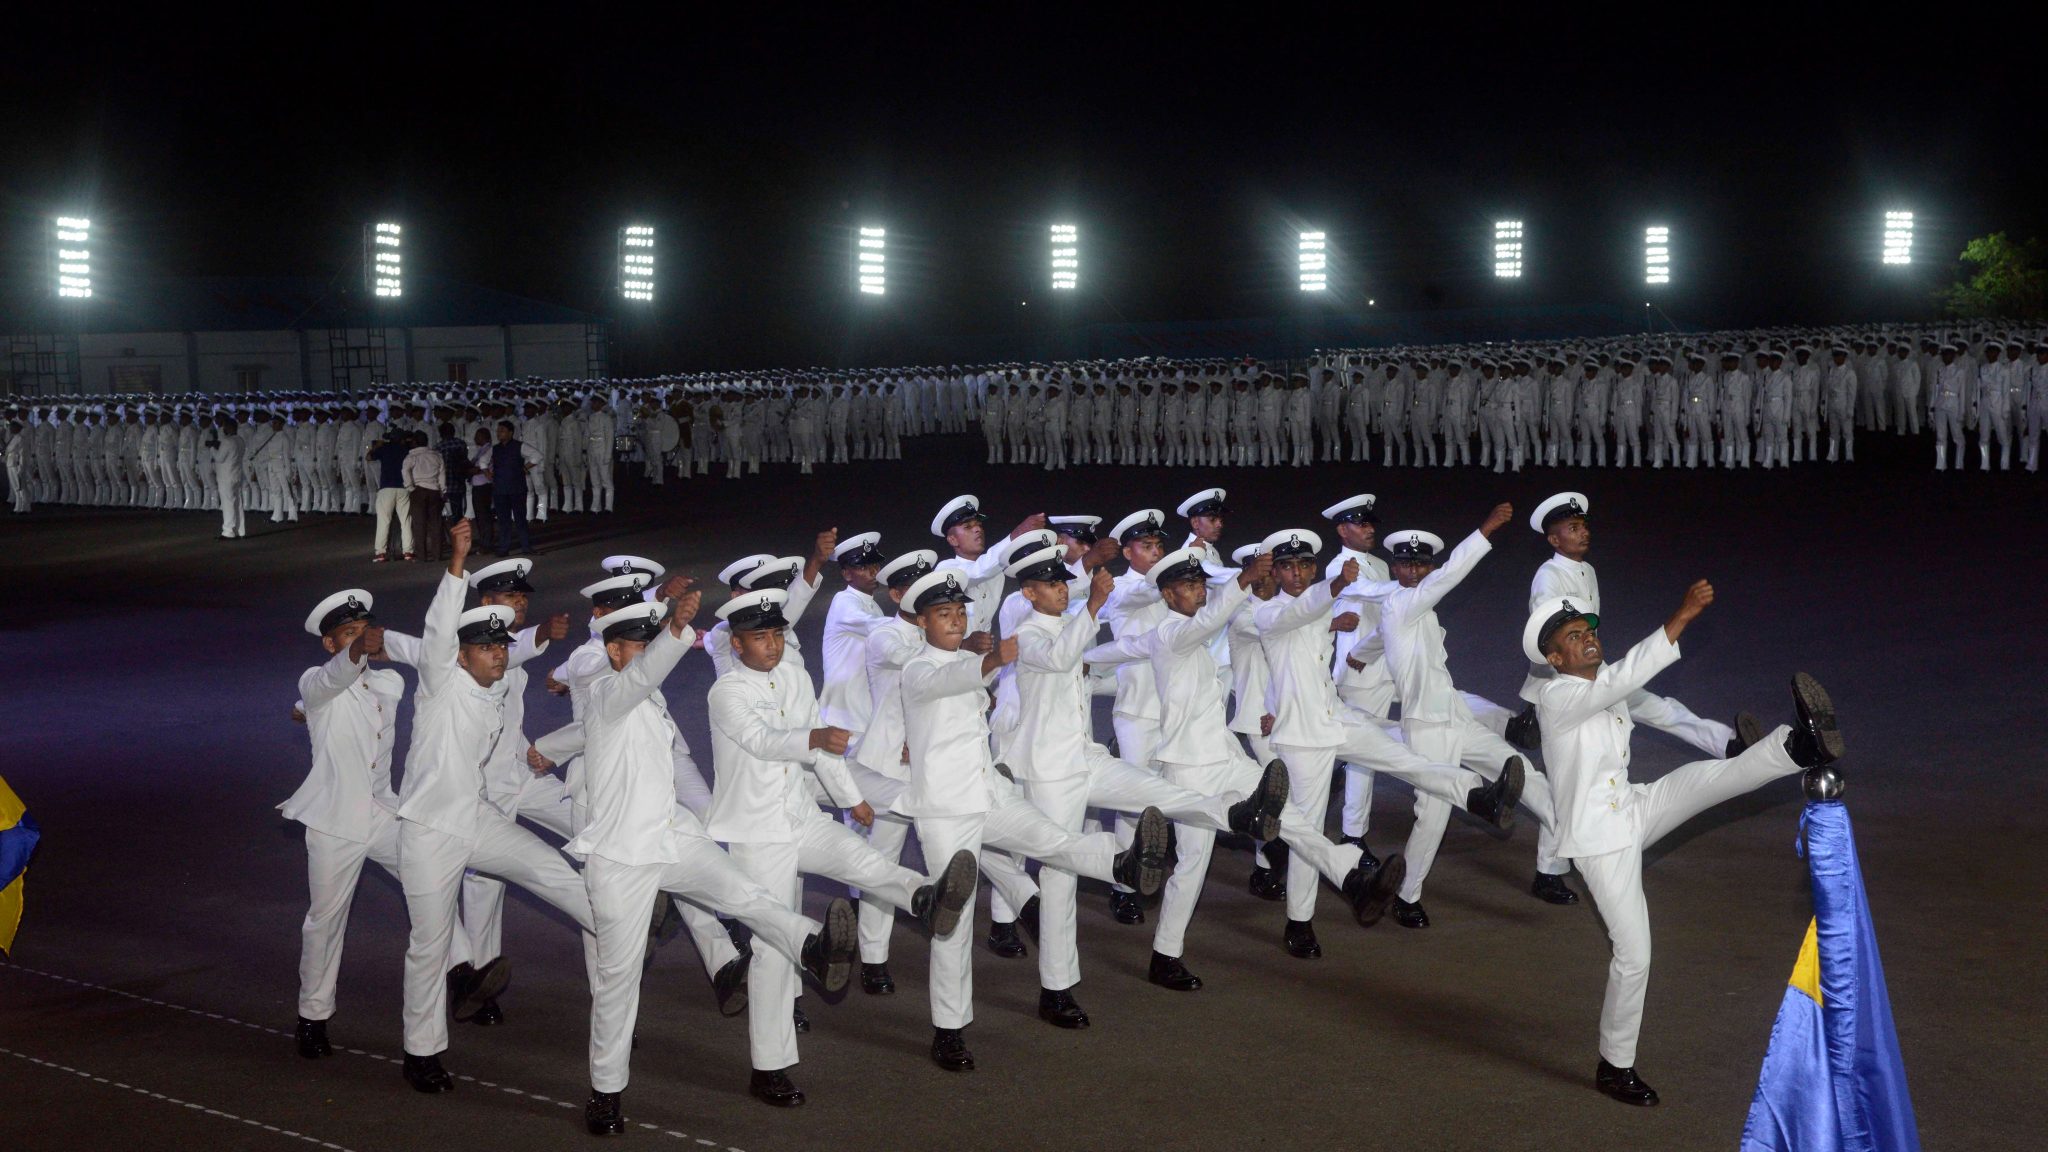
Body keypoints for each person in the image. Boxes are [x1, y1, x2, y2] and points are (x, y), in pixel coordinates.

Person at [1525, 585, 1842, 1105]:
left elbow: (1637, 692)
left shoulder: (1603, 683)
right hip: (1600, 843)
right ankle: (1614, 1065)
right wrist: (1682, 617)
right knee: (1635, 956)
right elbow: (1629, 674)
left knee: (1702, 778)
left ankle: (1797, 746)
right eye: (1573, 638)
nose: (1587, 640)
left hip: (1631, 807)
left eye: (1588, 631)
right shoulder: (1556, 697)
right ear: (1554, 658)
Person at [562, 590, 858, 1134]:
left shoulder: (651, 705)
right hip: (620, 856)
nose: (644, 653)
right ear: (614, 653)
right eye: (635, 645)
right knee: (618, 978)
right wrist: (676, 629)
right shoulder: (607, 690)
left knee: (747, 896)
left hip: (672, 838)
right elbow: (634, 686)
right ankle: (606, 1094)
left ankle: (812, 944)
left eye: (650, 642)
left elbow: (664, 755)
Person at [706, 587, 976, 1104]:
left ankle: (925, 898)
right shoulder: (726, 692)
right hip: (757, 831)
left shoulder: (795, 675)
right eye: (759, 638)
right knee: (770, 950)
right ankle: (770, 1068)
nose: (771, 646)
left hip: (801, 815)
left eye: (777, 635)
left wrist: (851, 800)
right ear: (736, 644)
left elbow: (823, 745)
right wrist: (812, 740)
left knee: (866, 861)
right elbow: (764, 740)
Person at [1085, 547, 1398, 991]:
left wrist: (1086, 660)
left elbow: (1122, 647)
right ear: (1168, 596)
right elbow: (1206, 623)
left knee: (1294, 819)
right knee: (1193, 865)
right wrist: (1246, 578)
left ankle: (1353, 880)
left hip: (1227, 757)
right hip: (1189, 767)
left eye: (1199, 584)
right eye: (1187, 586)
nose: (1196, 591)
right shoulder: (1175, 633)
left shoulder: (1165, 636)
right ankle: (1164, 955)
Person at [1002, 540, 1284, 1025]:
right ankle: (1056, 988)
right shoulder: (1026, 632)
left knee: (1159, 794)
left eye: (1060, 582)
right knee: (1058, 875)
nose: (1059, 589)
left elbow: (1105, 653)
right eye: (1050, 584)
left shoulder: (1071, 625)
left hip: (1085, 757)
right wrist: (1091, 606)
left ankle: (1235, 814)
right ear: (1028, 593)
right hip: (1048, 770)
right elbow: (1058, 658)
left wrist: (1098, 639)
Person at [898, 567, 1169, 1071]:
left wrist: (987, 658)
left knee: (1053, 840)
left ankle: (1124, 867)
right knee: (953, 922)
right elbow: (951, 679)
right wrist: (996, 655)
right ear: (921, 623)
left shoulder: (965, 658)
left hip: (989, 792)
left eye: (959, 611)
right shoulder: (918, 668)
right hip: (945, 812)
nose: (955, 620)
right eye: (943, 614)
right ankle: (949, 1030)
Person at [391, 520, 596, 1094]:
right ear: (460, 656)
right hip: (429, 830)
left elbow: (521, 657)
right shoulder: (439, 681)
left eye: (502, 646)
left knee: (549, 868)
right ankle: (422, 1052)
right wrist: (456, 562)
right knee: (429, 948)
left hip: (475, 818)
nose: (499, 656)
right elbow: (436, 631)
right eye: (487, 647)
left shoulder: (496, 690)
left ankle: (622, 920)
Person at [1347, 506, 1572, 926]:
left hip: (1456, 718)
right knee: (1433, 815)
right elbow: (1451, 574)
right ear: (1394, 567)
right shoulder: (1405, 602)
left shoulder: (1407, 606)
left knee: (1523, 773)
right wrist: (1483, 531)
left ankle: (1566, 858)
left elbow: (1378, 636)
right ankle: (1405, 897)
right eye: (1406, 563)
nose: (1415, 570)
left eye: (1422, 563)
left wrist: (1359, 656)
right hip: (1426, 728)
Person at [367, 429, 413, 561]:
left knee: (384, 521)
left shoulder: (385, 448)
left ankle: (381, 552)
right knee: (405, 520)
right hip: (403, 487)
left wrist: (376, 446)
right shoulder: (406, 449)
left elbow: (368, 457)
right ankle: (408, 551)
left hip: (386, 487)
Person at [490, 420, 534, 556]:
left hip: (517, 488)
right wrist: (488, 474)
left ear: (510, 433)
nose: (499, 433)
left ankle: (526, 546)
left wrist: (525, 467)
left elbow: (537, 456)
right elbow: (483, 462)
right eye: (498, 431)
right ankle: (504, 548)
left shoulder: (519, 446)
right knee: (504, 521)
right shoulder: (495, 448)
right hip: (501, 489)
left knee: (520, 519)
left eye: (502, 431)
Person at [403, 432, 447, 563]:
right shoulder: (436, 455)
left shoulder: (412, 456)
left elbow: (405, 471)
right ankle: (437, 555)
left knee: (419, 524)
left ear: (415, 442)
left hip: (418, 490)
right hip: (434, 490)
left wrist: (410, 487)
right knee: (436, 524)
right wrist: (442, 490)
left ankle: (422, 556)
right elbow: (442, 474)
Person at [211, 416, 247, 539]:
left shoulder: (227, 441)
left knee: (228, 503)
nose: (223, 428)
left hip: (226, 476)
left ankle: (228, 530)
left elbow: (219, 458)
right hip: (236, 474)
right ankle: (240, 530)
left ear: (230, 427)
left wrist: (212, 448)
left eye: (225, 426)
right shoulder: (240, 440)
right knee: (237, 503)